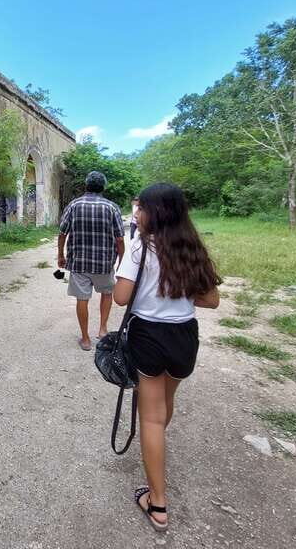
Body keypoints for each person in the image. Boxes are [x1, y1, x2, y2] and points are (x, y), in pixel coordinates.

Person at [113, 182, 221, 532]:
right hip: (184, 336)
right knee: (163, 407)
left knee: (151, 417)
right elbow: (210, 300)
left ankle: (157, 503)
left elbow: (119, 297)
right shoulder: (192, 247)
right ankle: (154, 443)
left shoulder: (139, 246)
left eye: (139, 207)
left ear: (151, 212)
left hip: (149, 334)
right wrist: (178, 295)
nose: (136, 213)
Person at [58, 171, 125, 351]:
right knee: (107, 293)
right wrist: (121, 261)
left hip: (79, 263)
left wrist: (60, 255)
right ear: (103, 187)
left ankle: (86, 339)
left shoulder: (74, 205)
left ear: (86, 186)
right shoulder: (112, 207)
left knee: (82, 298)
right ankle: (102, 329)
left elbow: (62, 233)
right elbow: (119, 239)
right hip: (104, 263)